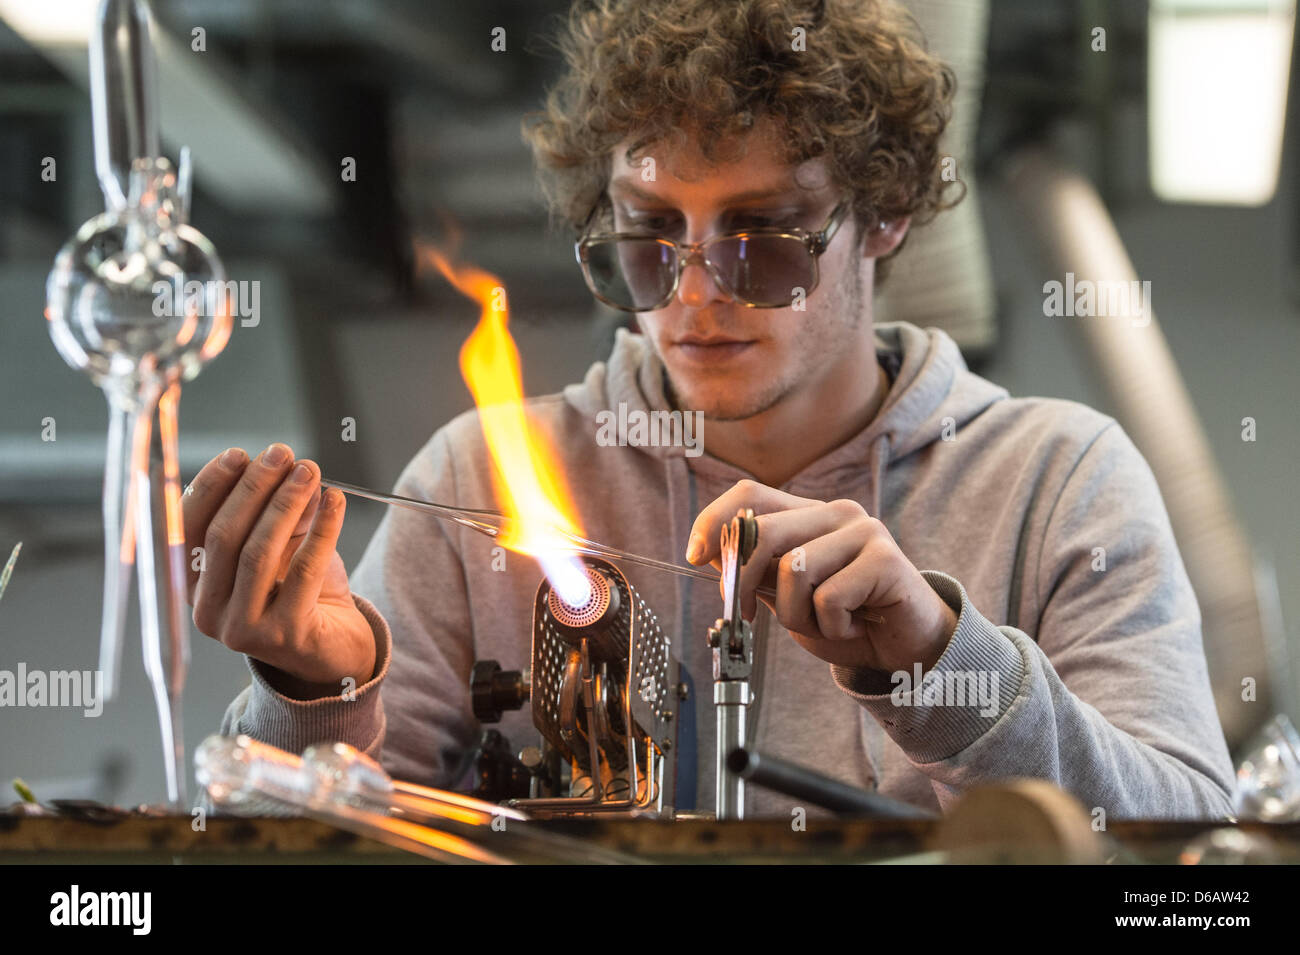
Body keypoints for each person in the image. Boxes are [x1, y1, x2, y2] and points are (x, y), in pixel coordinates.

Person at [187, 0, 1235, 817]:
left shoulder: (1055, 480)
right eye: (650, 239)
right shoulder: (478, 475)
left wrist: (937, 664)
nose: (693, 296)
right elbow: (289, 834)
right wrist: (309, 691)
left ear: (883, 219)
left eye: (762, 239)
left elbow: (1189, 864)